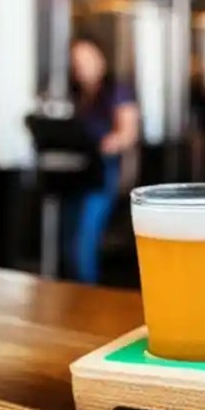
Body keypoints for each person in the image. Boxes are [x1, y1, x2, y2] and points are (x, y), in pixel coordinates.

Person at [63, 37, 139, 284]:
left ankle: (87, 292)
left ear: (100, 60)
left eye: (85, 61)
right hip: (75, 174)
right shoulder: (75, 94)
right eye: (76, 63)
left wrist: (108, 144)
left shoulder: (116, 90)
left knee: (83, 239)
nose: (80, 67)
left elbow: (128, 132)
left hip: (102, 172)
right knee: (70, 235)